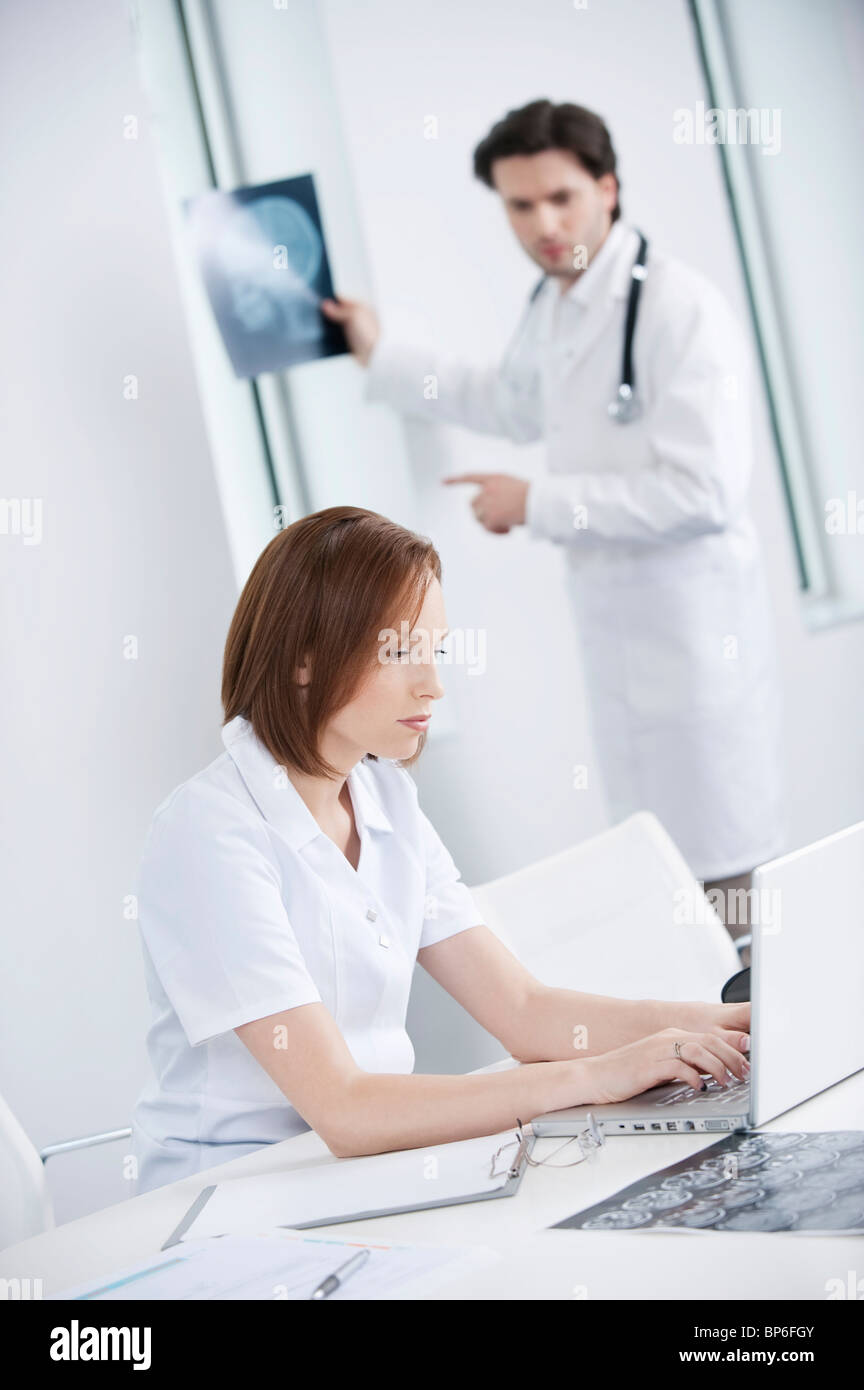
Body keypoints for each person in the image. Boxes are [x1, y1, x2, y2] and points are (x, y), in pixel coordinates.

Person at [129, 506, 750, 1193]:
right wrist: (596, 1077)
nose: (433, 684)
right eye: (399, 653)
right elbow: (344, 1108)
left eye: (436, 652)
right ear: (303, 660)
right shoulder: (209, 832)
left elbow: (523, 1010)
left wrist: (722, 1025)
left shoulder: (384, 796)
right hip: (232, 1198)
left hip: (372, 1171)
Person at [322, 99, 785, 963]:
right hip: (626, 649)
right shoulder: (560, 303)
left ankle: (780, 1074)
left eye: (562, 198)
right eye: (519, 206)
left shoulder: (681, 309)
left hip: (694, 652)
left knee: (730, 898)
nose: (544, 223)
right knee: (670, 891)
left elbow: (706, 489)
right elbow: (506, 399)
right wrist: (380, 353)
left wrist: (534, 502)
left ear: (608, 188)